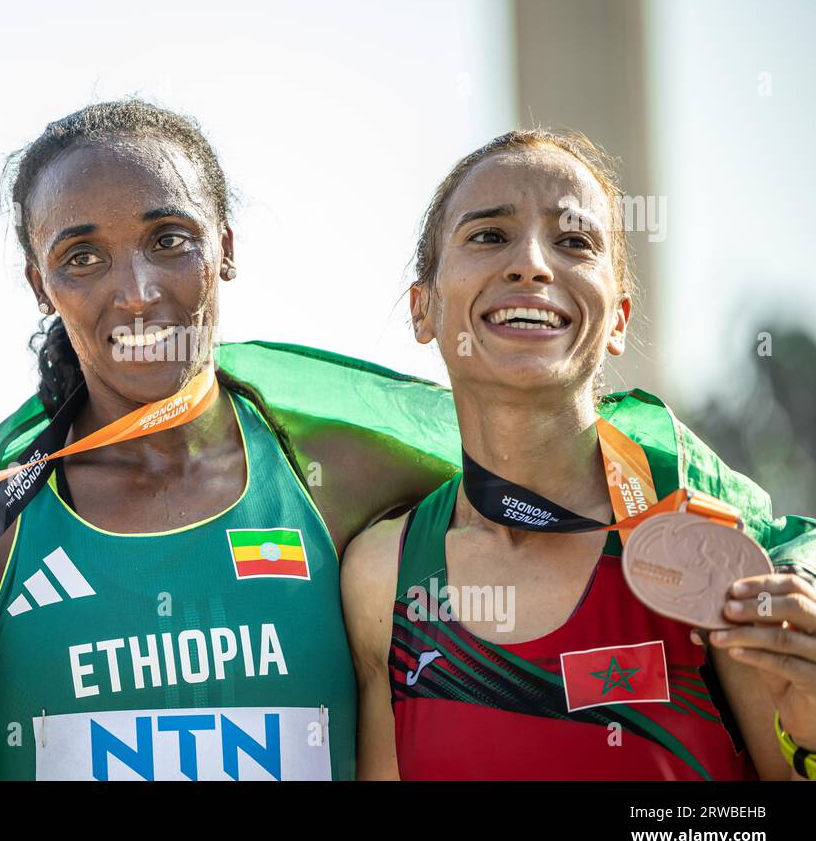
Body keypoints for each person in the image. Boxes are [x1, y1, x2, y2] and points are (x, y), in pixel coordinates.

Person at [0, 99, 452, 781]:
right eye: (82, 257)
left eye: (169, 240)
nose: (135, 289)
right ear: (41, 284)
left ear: (223, 247)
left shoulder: (349, 476)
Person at [343, 129, 816, 779]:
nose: (533, 264)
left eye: (574, 242)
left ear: (617, 318)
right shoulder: (383, 575)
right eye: (488, 235)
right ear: (423, 309)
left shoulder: (705, 554)